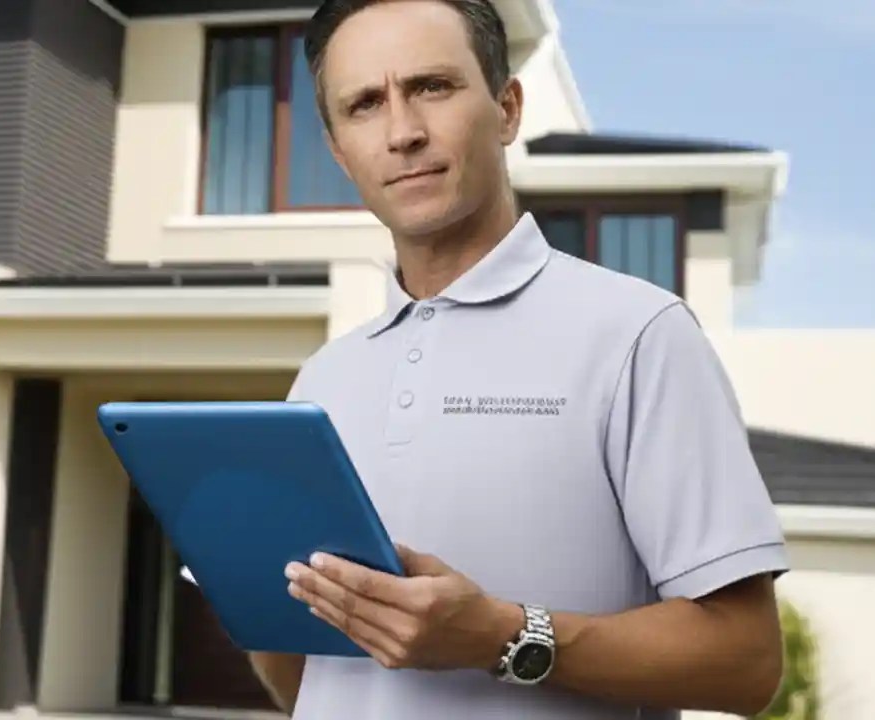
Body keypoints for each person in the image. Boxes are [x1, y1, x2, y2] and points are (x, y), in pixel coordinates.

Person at [245, 1, 790, 718]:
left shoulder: (638, 335)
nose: (403, 132)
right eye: (365, 104)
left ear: (507, 108)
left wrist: (500, 637)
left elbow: (746, 662)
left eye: (432, 87)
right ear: (340, 149)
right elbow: (293, 668)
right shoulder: (322, 379)